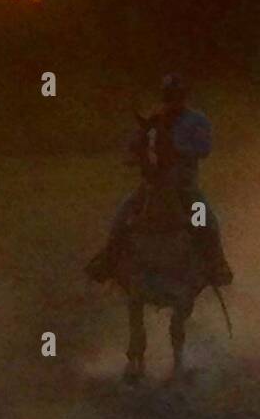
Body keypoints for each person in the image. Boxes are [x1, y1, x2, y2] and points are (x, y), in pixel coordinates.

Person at [86, 74, 233, 286]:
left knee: (205, 217)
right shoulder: (153, 120)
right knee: (123, 212)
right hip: (153, 181)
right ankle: (108, 258)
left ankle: (216, 263)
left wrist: (177, 149)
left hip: (184, 184)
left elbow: (204, 149)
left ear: (183, 97)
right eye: (169, 96)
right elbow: (135, 145)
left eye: (176, 96)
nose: (172, 101)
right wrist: (136, 153)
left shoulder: (197, 120)